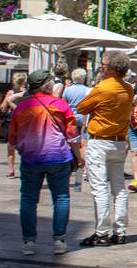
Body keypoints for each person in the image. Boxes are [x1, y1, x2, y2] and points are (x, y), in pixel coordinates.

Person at [9, 69, 83, 255]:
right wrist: (80, 158)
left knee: (28, 199)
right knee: (61, 198)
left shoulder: (22, 107)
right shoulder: (60, 105)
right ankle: (59, 241)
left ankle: (28, 242)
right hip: (58, 157)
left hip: (31, 158)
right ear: (46, 85)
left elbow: (12, 138)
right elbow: (72, 135)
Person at [75, 52, 135, 246]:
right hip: (119, 141)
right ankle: (120, 231)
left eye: (103, 65)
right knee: (119, 187)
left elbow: (82, 107)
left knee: (100, 188)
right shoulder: (128, 89)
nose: (101, 67)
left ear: (110, 68)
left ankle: (101, 233)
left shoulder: (102, 88)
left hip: (99, 141)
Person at [62, 68, 92, 188]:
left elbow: (63, 105)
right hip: (84, 118)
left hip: (70, 118)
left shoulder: (67, 90)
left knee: (71, 143)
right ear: (84, 77)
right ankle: (84, 170)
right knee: (83, 145)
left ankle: (74, 166)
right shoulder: (87, 90)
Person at [0, 77, 28, 177]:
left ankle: (11, 171)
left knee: (10, 147)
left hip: (11, 121)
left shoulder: (11, 93)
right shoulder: (27, 93)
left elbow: (3, 108)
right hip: (25, 121)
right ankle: (25, 169)